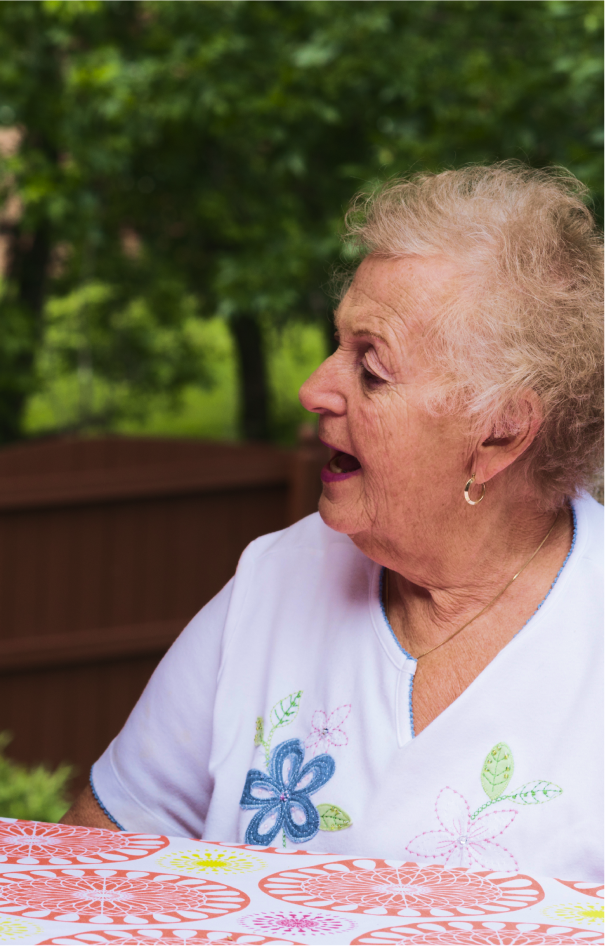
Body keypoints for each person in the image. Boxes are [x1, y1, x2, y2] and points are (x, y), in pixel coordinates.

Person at [62, 162, 605, 879]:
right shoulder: (276, 578)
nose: (314, 388)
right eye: (335, 344)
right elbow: (97, 856)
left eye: (370, 368)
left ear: (501, 430)